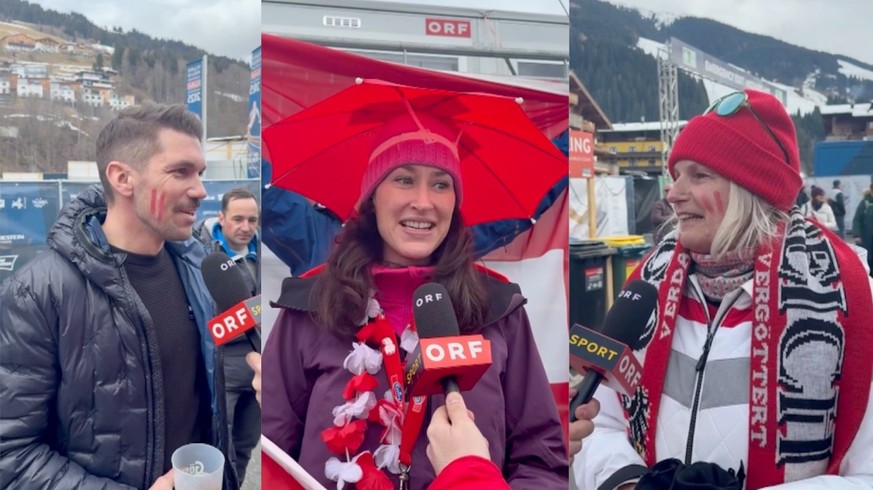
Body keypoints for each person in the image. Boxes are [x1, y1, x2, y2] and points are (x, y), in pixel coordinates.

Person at [574, 89, 873, 490]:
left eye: (699, 175)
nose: (673, 192)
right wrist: (627, 483)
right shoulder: (647, 285)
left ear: (753, 190)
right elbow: (603, 422)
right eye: (677, 173)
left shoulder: (851, 298)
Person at [261, 115, 567, 489]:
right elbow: (270, 458)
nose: (423, 202)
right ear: (372, 197)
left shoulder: (498, 309)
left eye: (441, 184)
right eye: (404, 179)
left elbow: (542, 461)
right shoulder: (310, 306)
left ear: (455, 202)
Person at [0, 103, 238, 490]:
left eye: (200, 173)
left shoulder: (199, 269)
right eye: (181, 171)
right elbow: (11, 455)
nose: (201, 190)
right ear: (122, 177)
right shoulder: (37, 291)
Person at [194, 187, 261, 483]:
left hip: (259, 371)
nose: (245, 227)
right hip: (222, 371)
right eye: (238, 219)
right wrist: (253, 313)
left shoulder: (264, 254)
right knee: (222, 451)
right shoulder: (200, 255)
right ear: (221, 218)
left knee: (245, 448)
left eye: (252, 220)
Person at [852, 183, 873, 273]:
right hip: (867, 236)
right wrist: (857, 234)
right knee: (869, 257)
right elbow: (857, 219)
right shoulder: (865, 203)